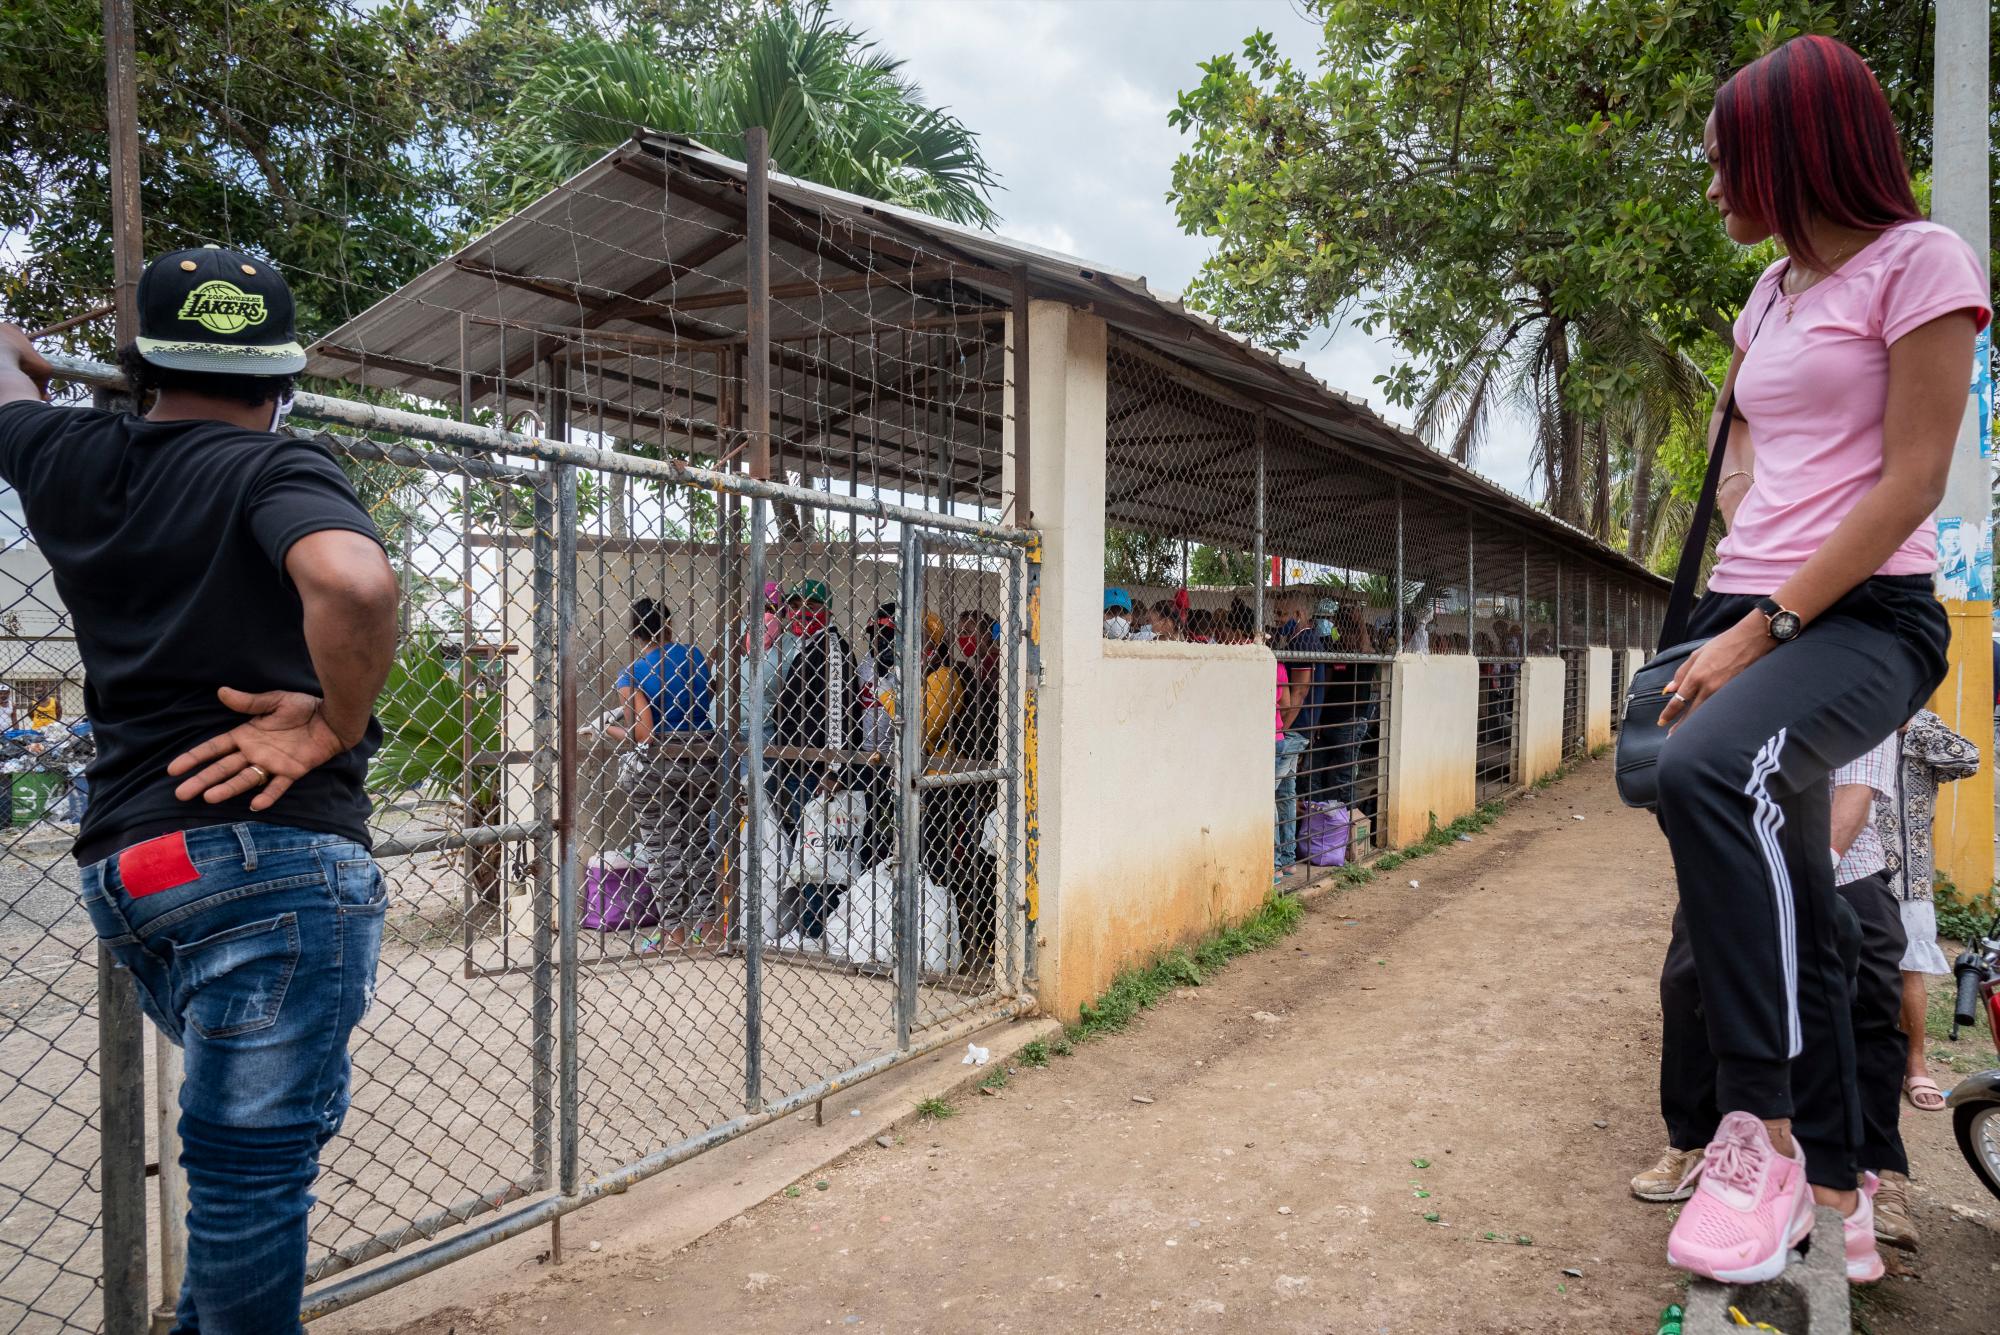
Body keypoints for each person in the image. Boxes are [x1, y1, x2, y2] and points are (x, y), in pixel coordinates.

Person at [0, 247, 400, 1332]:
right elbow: (355, 582)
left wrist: (19, 355)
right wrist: (334, 724)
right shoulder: (274, 468)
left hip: (134, 867)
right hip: (272, 853)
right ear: (281, 383)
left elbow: (4, 383)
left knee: (258, 1140)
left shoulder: (66, 455)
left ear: (140, 367)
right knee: (251, 1169)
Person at [1651, 36, 1986, 1285]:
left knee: (1704, 774)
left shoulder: (1919, 262)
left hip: (1862, 617)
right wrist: (1742, 537)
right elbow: (1748, 446)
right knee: (1796, 895)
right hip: (1748, 603)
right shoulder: (1765, 294)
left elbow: (1911, 480)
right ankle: (1840, 1185)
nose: (1710, 187)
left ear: (1793, 154)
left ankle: (1763, 1131)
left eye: (1723, 162)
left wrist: (1763, 625)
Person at [1634, 735, 1920, 1256]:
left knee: (1876, 991)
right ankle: (1692, 1141)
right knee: (1687, 983)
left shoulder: (1857, 693)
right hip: (1742, 861)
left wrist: (1809, 877)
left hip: (1843, 862)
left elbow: (1855, 791)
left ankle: (1880, 1167)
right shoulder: (1742, 691)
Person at [1872, 709, 1978, 1114]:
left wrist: (1909, 725)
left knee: (1908, 965)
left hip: (1907, 872)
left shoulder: (1920, 723)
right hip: (1847, 862)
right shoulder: (1848, 714)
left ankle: (1915, 1063)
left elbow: (1968, 759)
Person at [606, 598, 716, 943]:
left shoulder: (632, 674)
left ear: (635, 633)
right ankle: (710, 928)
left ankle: (673, 933)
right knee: (699, 844)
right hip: (701, 760)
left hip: (658, 768)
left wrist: (605, 729)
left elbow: (644, 733)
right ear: (668, 624)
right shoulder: (695, 656)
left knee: (662, 851)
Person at [770, 579, 861, 833]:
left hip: (816, 768)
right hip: (799, 762)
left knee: (812, 840)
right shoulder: (808, 647)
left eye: (810, 606)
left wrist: (834, 771)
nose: (800, 612)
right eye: (794, 606)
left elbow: (841, 710)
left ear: (827, 610)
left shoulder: (831, 649)